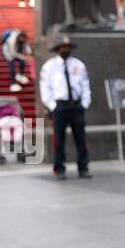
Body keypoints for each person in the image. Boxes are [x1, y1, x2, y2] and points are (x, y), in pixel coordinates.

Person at [38, 36, 91, 179]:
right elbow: (45, 88)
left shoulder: (78, 65)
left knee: (80, 138)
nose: (65, 50)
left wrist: (84, 103)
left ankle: (83, 167)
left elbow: (85, 85)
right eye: (62, 47)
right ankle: (59, 168)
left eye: (67, 47)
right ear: (57, 50)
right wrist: (52, 105)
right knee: (59, 140)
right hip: (59, 106)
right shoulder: (49, 66)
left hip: (76, 105)